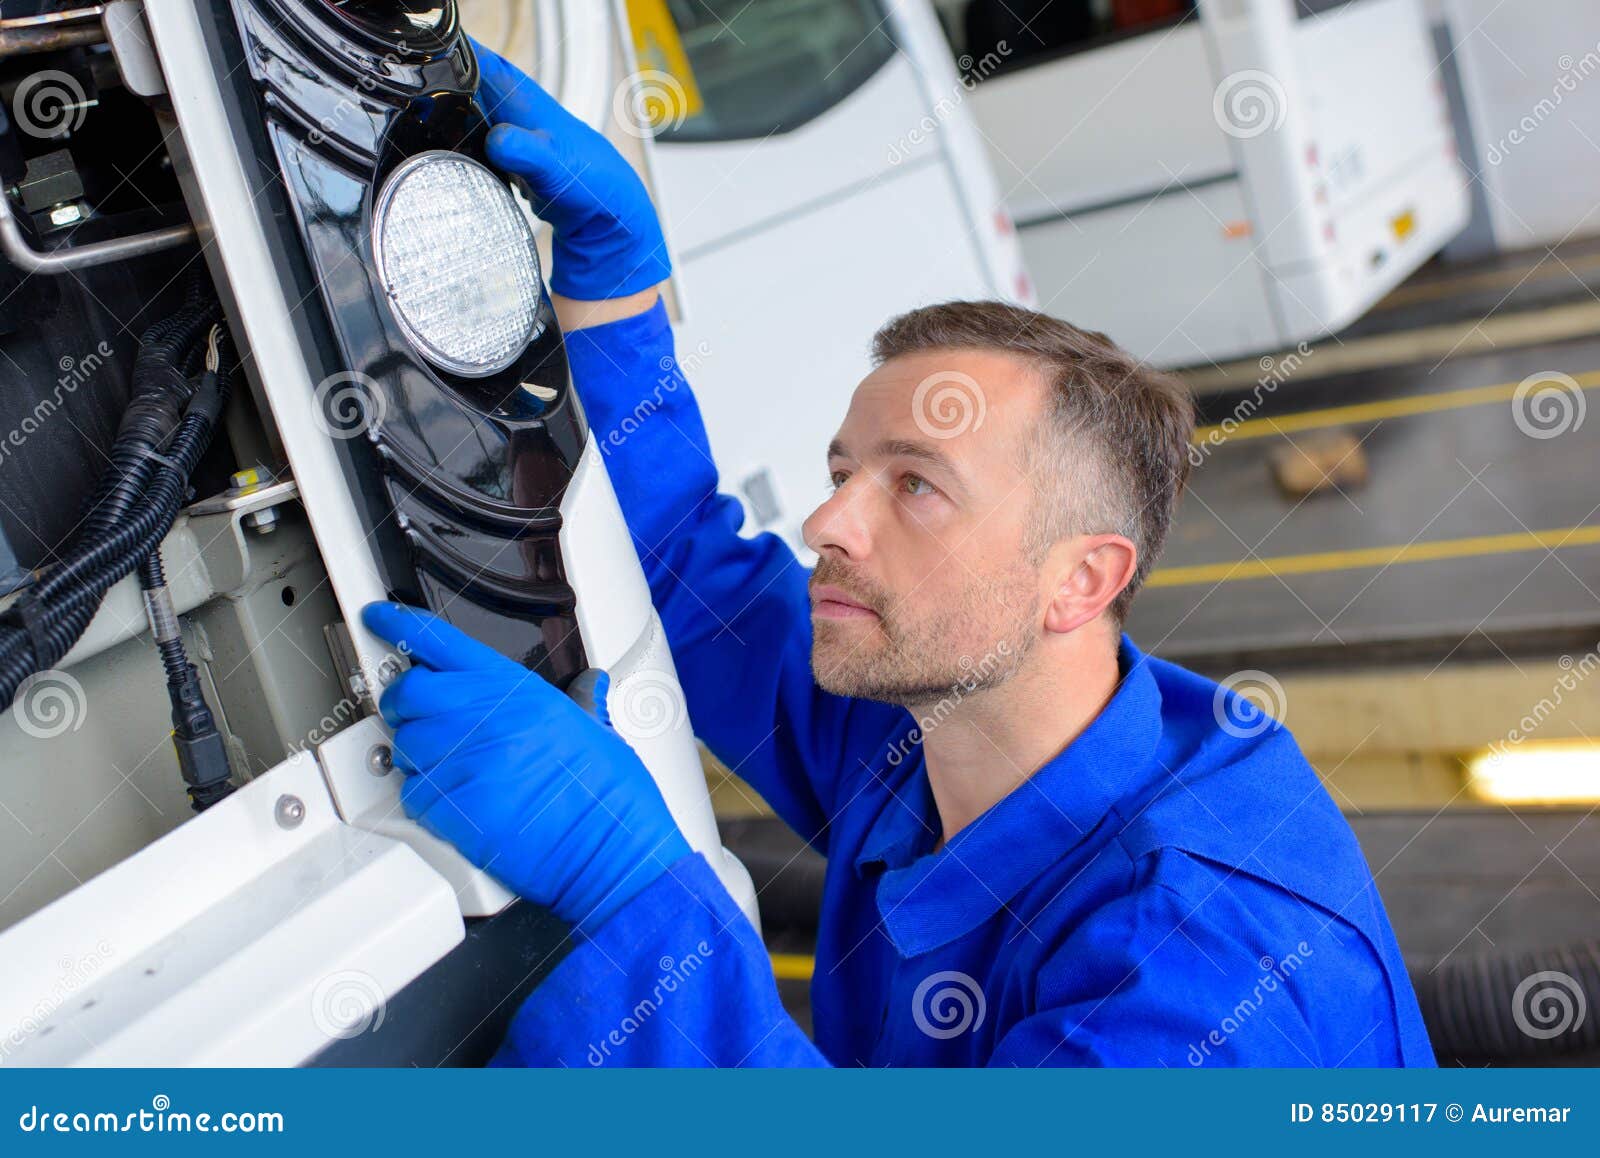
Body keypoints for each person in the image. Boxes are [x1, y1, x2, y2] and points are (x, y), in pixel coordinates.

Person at [359, 42, 1435, 1068]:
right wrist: (615, 286)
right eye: (842, 475)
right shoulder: (929, 720)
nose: (827, 526)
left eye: (915, 485)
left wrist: (629, 890)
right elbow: (687, 564)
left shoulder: (1207, 971)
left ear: (1083, 578)